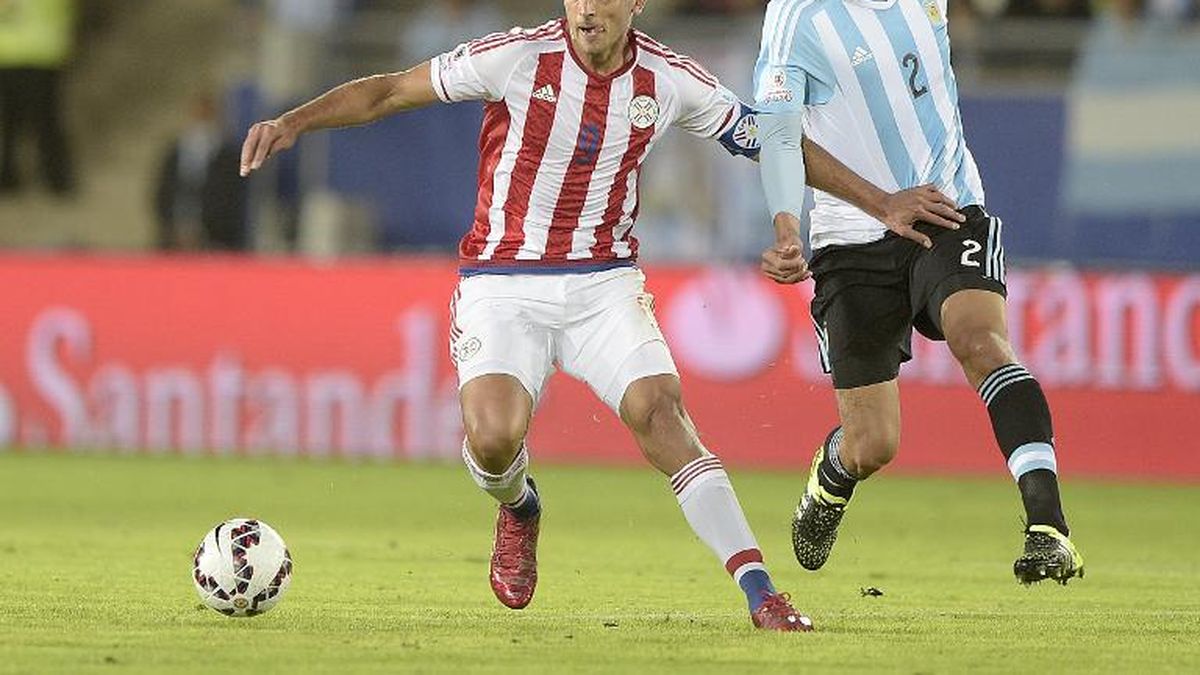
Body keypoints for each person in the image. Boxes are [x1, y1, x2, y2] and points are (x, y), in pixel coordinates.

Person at [240, 0, 949, 630]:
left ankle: (760, 591)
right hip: (503, 280)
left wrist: (880, 203)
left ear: (634, 5)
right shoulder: (517, 58)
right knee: (492, 439)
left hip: (602, 283)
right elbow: (389, 92)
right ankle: (518, 506)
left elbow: (772, 138)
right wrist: (292, 121)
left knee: (660, 414)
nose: (588, 10)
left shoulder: (668, 80)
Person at [752, 0, 1084, 584]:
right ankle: (832, 477)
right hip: (851, 238)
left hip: (944, 207)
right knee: (872, 444)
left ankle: (1048, 528)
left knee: (980, 340)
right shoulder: (798, 15)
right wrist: (788, 227)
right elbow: (779, 134)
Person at [154, 91, 248, 251]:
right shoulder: (176, 150)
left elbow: (232, 196)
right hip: (175, 233)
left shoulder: (228, 155)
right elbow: (165, 190)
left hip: (215, 238)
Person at [0, 0, 76, 196]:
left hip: (21, 56)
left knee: (17, 122)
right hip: (39, 55)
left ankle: (12, 176)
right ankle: (54, 178)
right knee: (42, 122)